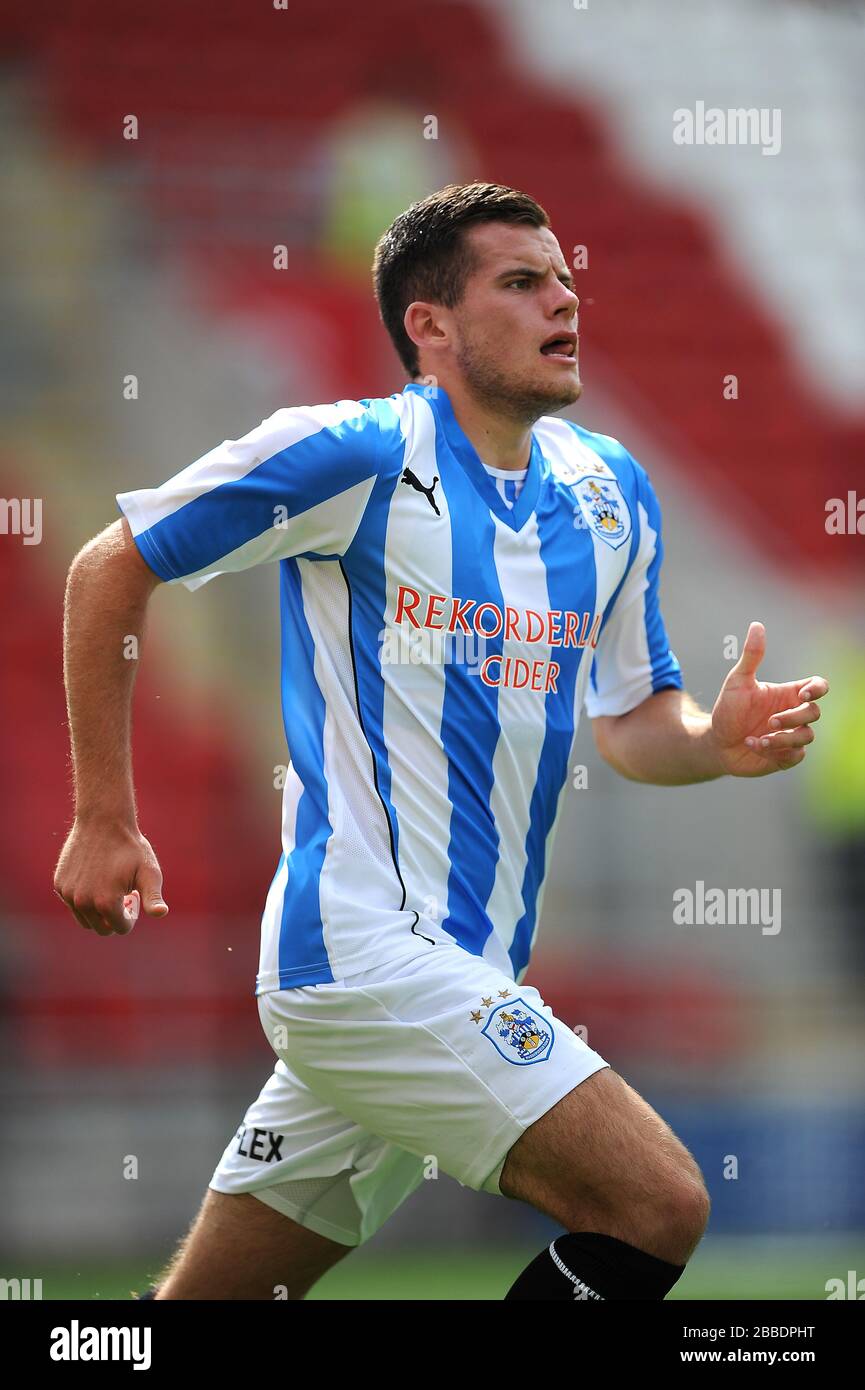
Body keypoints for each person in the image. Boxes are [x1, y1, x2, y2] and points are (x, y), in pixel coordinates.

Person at [53, 182, 829, 1300]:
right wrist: (103, 816)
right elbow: (109, 566)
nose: (563, 300)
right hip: (365, 960)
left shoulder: (610, 491)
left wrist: (712, 738)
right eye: (521, 283)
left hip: (459, 971)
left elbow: (630, 721)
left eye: (564, 278)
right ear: (431, 325)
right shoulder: (351, 455)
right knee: (657, 1203)